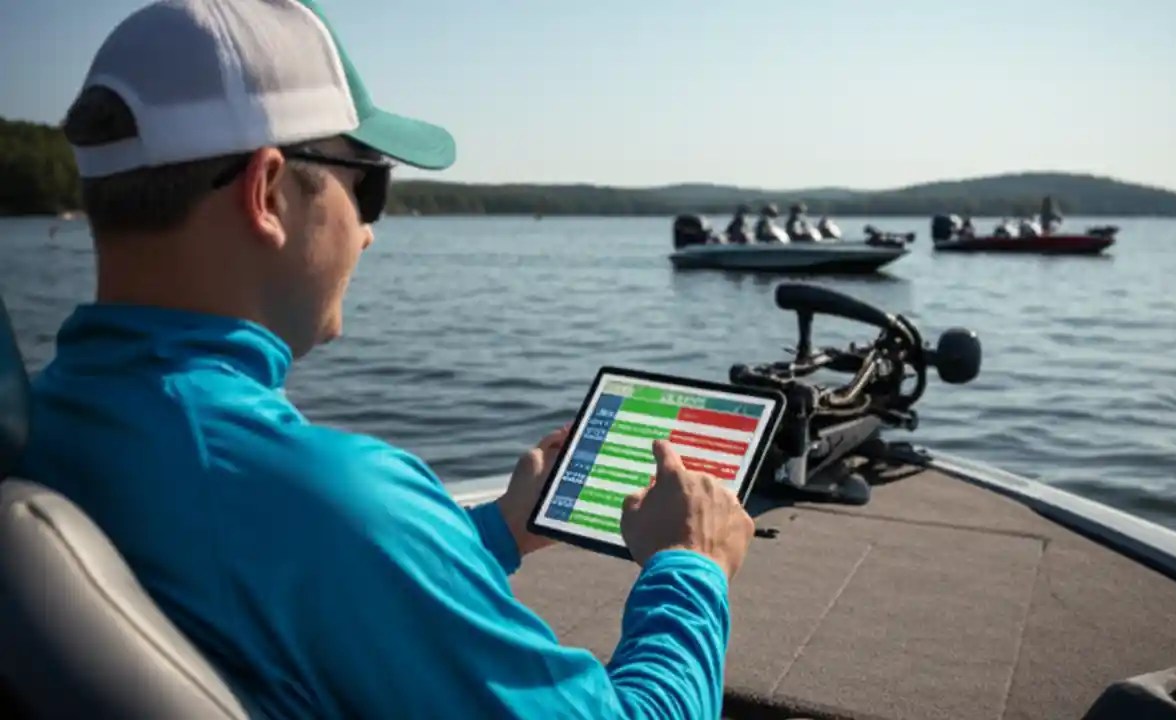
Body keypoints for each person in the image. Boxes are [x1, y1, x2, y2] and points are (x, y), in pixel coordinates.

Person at [15, 1, 755, 719]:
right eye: (368, 186)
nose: (368, 234)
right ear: (267, 191)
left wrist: (499, 527)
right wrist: (692, 565)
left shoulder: (42, 426)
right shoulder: (333, 499)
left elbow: (293, 571)